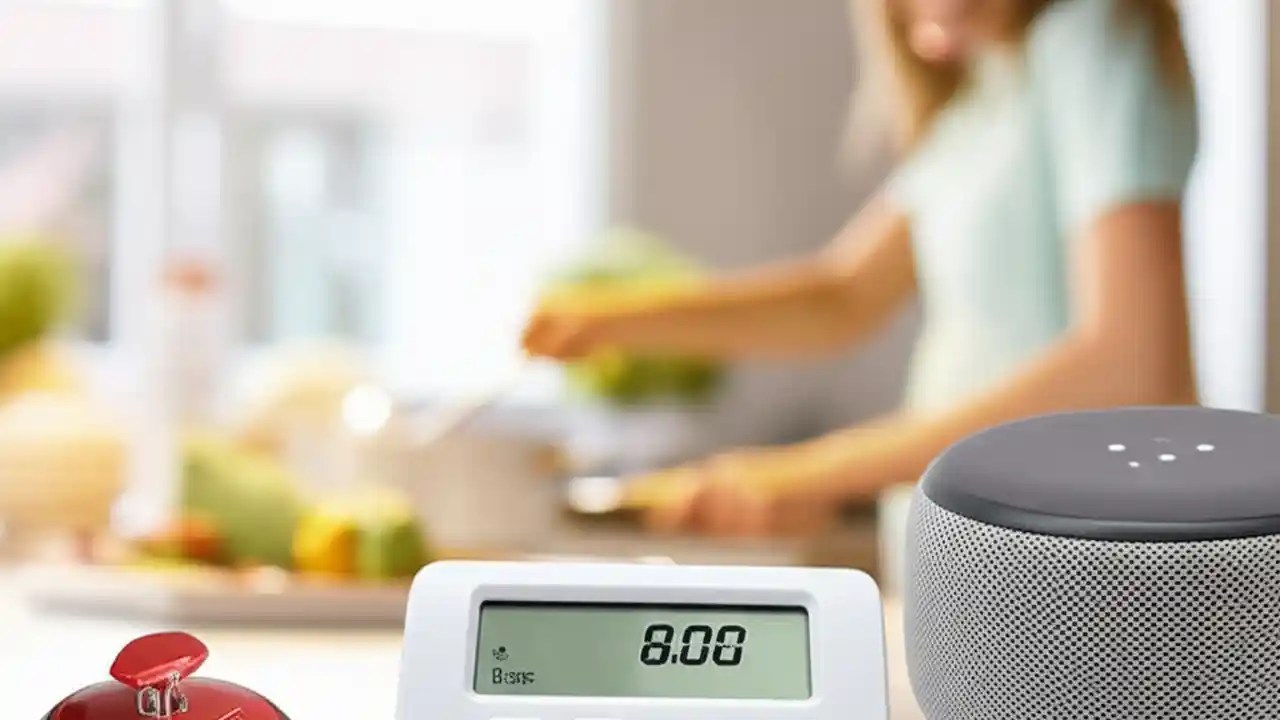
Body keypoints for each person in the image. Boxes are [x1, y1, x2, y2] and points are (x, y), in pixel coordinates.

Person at [523, 0, 1198, 541]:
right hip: (962, 562)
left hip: (1077, 565)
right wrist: (606, 323)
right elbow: (841, 297)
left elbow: (1130, 364)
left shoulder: (1093, 38)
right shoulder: (980, 97)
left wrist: (805, 475)